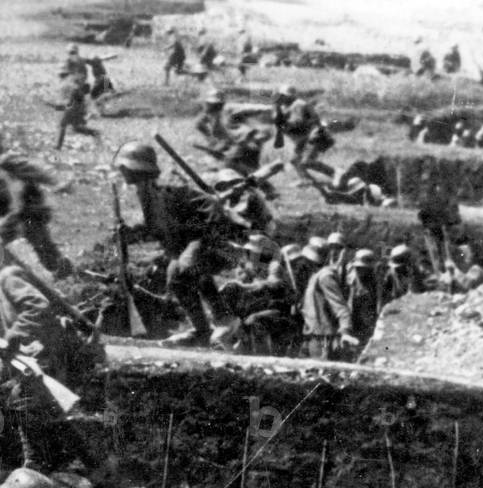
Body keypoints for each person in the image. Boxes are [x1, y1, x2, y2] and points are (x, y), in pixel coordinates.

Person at [0, 231, 103, 473]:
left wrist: (14, 334)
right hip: (22, 359)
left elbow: (37, 305)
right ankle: (83, 461)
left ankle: (36, 462)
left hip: (39, 357)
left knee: (26, 405)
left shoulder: (8, 278)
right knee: (16, 406)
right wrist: (2, 367)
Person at [113, 141, 245, 347]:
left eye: (125, 167)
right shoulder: (146, 196)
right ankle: (203, 330)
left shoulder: (169, 192)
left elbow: (210, 204)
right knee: (178, 276)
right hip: (190, 248)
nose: (122, 171)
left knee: (183, 269)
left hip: (214, 244)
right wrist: (129, 233)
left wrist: (196, 245)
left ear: (137, 169)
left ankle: (226, 320)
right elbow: (157, 227)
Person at [0, 125, 72, 277]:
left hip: (29, 213)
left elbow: (35, 170)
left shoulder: (6, 161)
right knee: (44, 252)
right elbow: (0, 195)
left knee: (44, 251)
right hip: (19, 214)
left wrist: (56, 182)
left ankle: (67, 276)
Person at [218, 234, 297, 354]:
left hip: (277, 307)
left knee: (255, 320)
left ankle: (259, 353)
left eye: (254, 252)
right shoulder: (252, 266)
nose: (251, 255)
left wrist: (245, 286)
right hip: (260, 304)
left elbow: (272, 284)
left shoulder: (274, 265)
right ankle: (240, 343)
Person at [300, 233, 359, 361]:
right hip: (312, 334)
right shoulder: (315, 275)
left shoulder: (325, 276)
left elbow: (340, 306)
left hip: (323, 337)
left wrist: (345, 331)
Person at [273, 85, 334, 180]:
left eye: (283, 96)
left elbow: (297, 122)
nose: (281, 98)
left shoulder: (298, 104)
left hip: (315, 136)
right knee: (294, 160)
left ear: (290, 96)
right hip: (305, 138)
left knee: (306, 162)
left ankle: (335, 174)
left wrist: (283, 122)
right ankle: (306, 180)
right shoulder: (283, 106)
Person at [56, 64, 100, 149]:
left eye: (62, 74)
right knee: (73, 127)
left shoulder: (70, 83)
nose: (60, 76)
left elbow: (79, 96)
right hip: (72, 108)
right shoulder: (66, 83)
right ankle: (96, 135)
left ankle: (57, 146)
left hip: (72, 108)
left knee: (63, 126)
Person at [346, 248, 379, 343]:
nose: (361, 271)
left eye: (364, 268)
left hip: (366, 315)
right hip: (351, 315)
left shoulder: (375, 280)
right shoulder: (349, 278)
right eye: (359, 268)